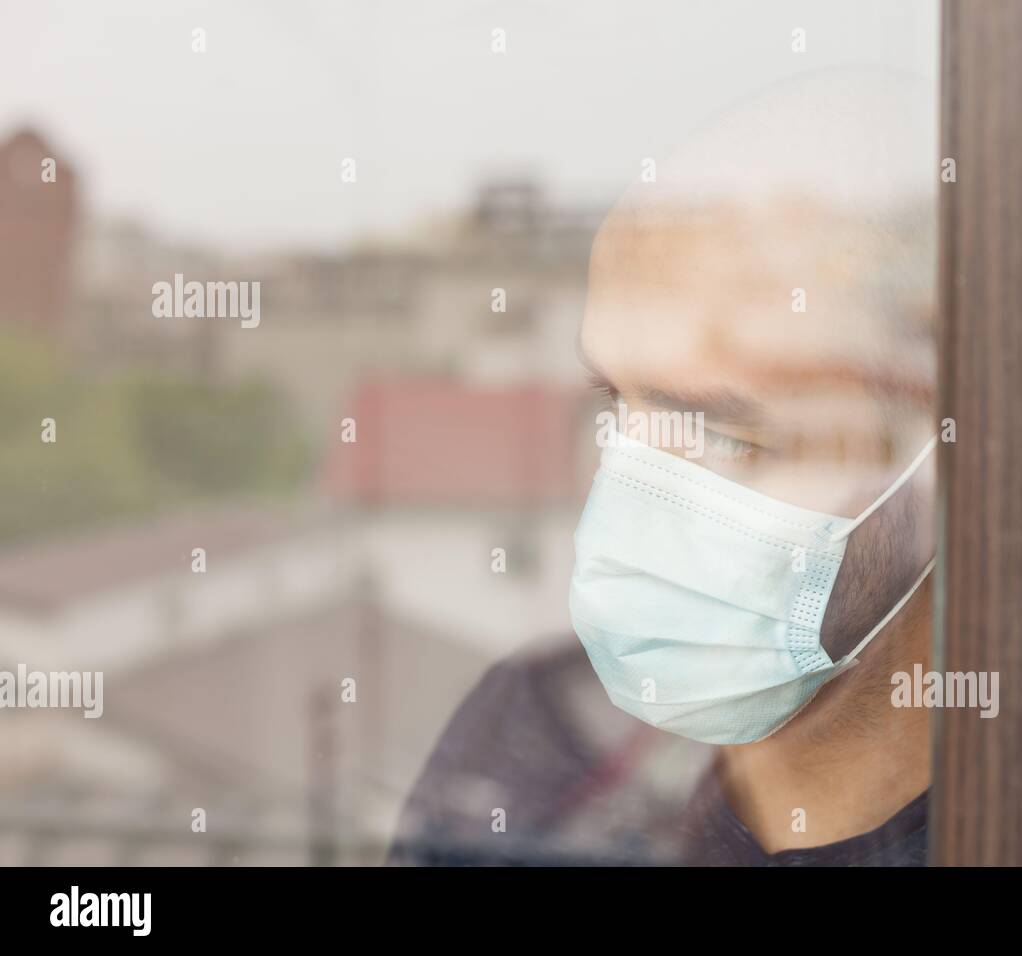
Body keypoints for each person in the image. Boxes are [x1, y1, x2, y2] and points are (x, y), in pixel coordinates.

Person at [389, 66, 938, 866]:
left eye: (728, 435)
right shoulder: (533, 748)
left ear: (941, 453)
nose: (634, 495)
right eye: (615, 407)